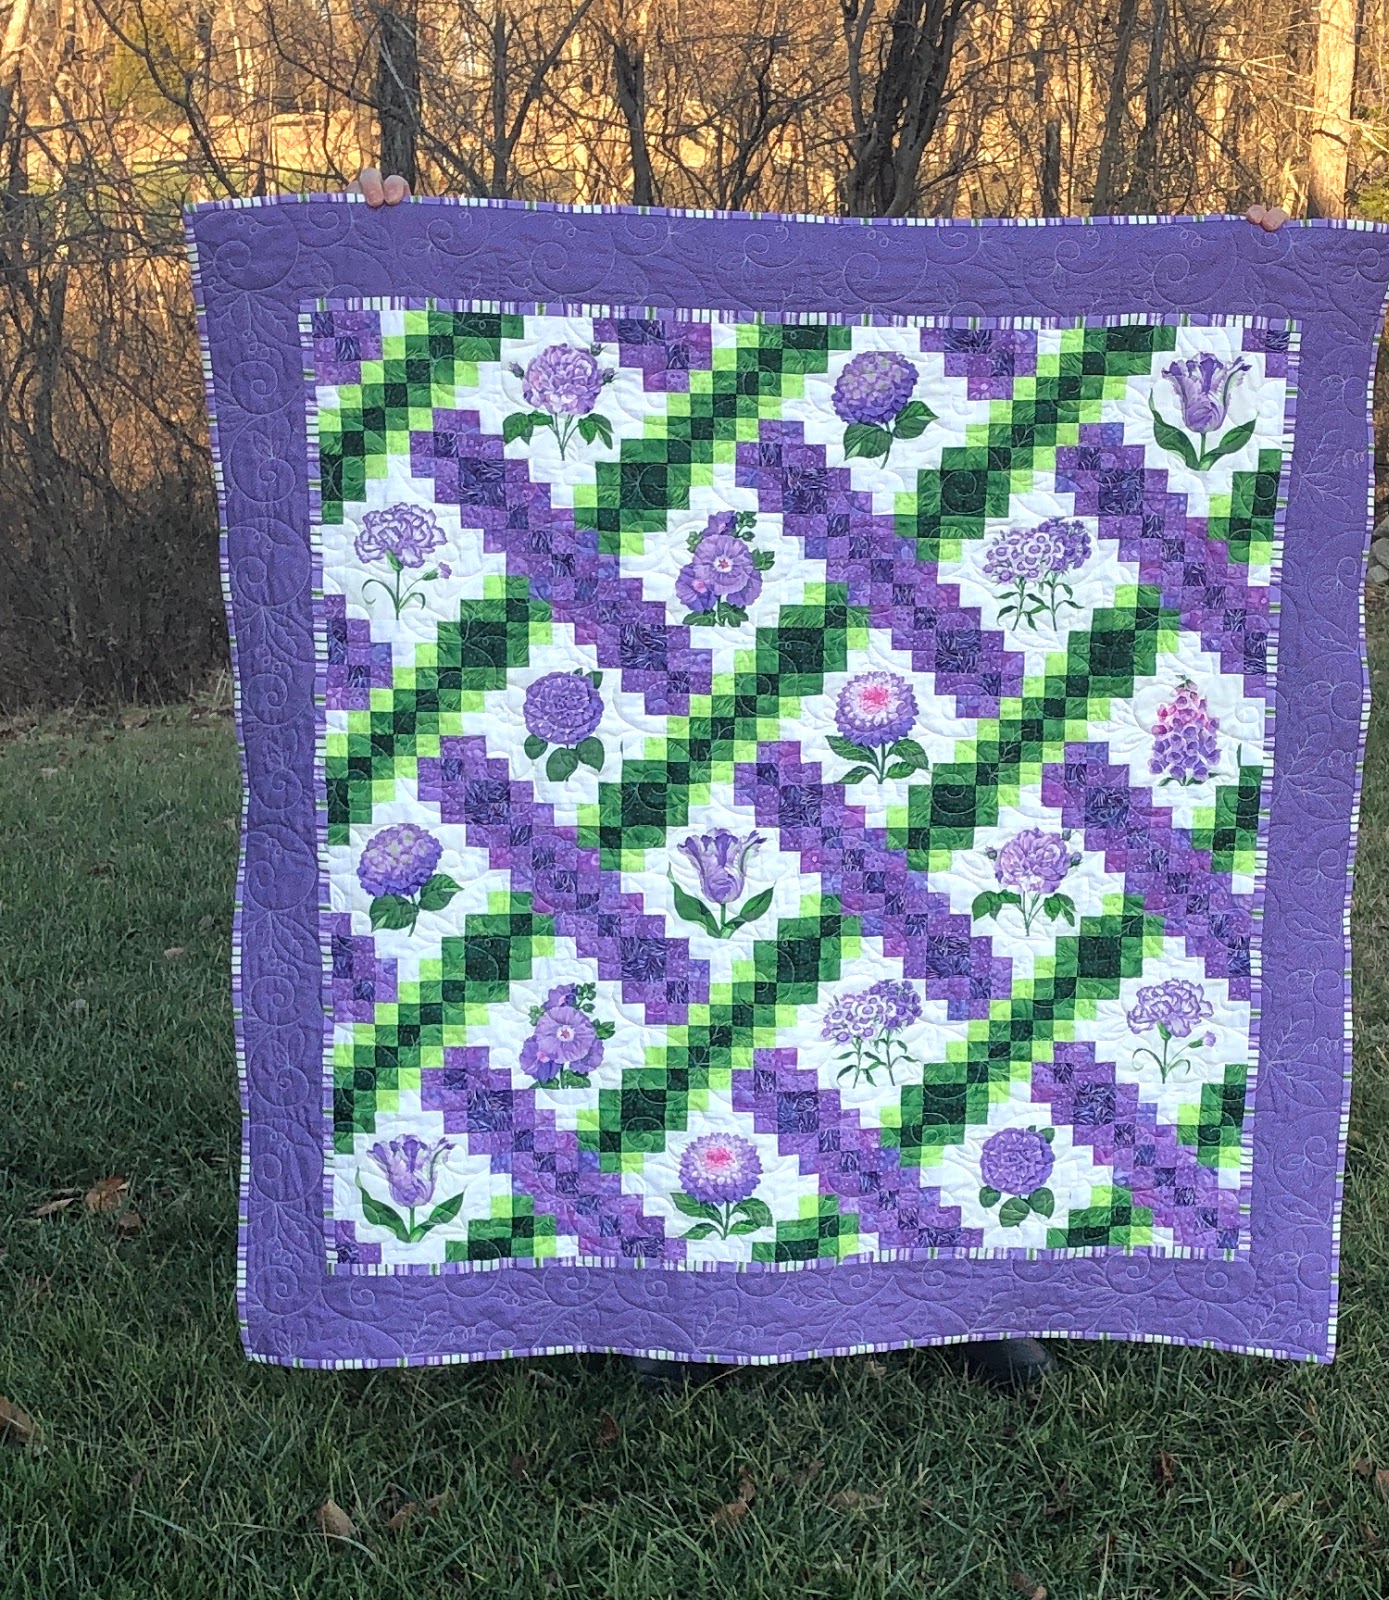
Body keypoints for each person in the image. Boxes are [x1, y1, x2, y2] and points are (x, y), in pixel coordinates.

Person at [338, 168, 1287, 1392]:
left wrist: (1240, 269)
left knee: (921, 972)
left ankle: (965, 1267)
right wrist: (386, 243)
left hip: (922, 733)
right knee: (689, 967)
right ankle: (663, 1273)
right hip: (702, 691)